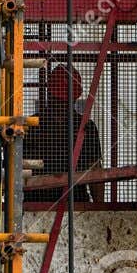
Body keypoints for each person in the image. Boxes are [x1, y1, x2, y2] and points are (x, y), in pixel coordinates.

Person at [24, 64, 103, 202]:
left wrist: (99, 211)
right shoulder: (30, 126)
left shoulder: (87, 128)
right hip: (38, 204)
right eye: (59, 100)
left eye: (65, 101)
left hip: (73, 205)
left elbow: (95, 172)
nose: (61, 105)